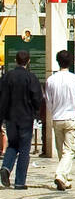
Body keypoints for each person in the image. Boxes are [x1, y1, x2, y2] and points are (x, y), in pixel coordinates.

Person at [0, 50, 43, 190]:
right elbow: (37, 98)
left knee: (13, 144)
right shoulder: (31, 77)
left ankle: (6, 167)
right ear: (28, 61)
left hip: (11, 117)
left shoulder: (7, 77)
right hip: (25, 117)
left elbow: (2, 98)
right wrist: (35, 110)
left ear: (16, 60)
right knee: (24, 148)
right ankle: (19, 181)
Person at [44, 50, 75, 191]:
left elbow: (48, 101)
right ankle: (61, 174)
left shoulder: (51, 80)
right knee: (70, 150)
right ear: (71, 62)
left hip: (57, 117)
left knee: (61, 150)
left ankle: (66, 178)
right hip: (71, 117)